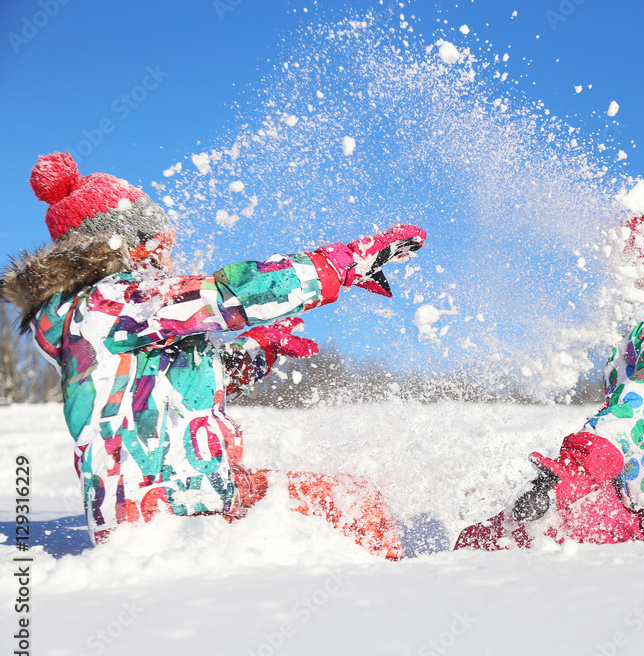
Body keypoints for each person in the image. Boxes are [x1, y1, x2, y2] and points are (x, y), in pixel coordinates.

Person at [1, 152, 426, 559]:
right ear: (128, 249)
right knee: (352, 507)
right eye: (160, 247)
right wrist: (345, 263)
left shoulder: (117, 316)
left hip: (194, 493)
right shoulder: (110, 304)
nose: (170, 259)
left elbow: (181, 384)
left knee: (351, 499)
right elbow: (230, 292)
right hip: (165, 515)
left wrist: (261, 348)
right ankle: (400, 594)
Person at [454, 171, 644, 550]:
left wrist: (577, 470)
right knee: (508, 534)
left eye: (634, 254)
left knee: (515, 538)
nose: (623, 267)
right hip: (640, 502)